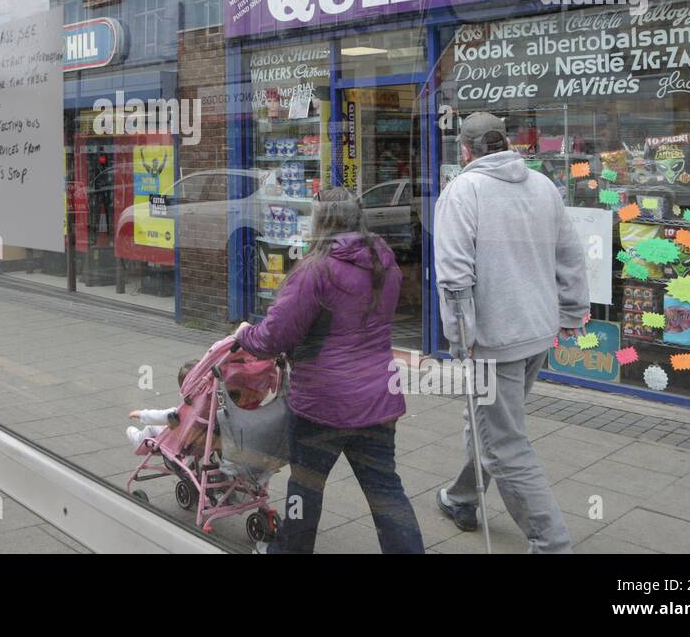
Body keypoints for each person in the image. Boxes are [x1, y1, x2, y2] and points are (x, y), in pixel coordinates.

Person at [234, 187, 424, 555]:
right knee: (385, 489)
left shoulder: (316, 270)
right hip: (378, 398)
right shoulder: (384, 260)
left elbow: (275, 335)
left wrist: (245, 334)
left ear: (320, 220)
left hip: (323, 404)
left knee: (305, 489)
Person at [433, 112, 590, 554]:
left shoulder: (463, 190)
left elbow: (455, 277)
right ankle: (462, 497)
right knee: (485, 420)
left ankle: (551, 543)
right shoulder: (542, 185)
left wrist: (460, 339)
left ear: (465, 151)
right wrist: (574, 310)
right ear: (505, 145)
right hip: (536, 332)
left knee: (505, 444)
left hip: (493, 340)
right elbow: (570, 254)